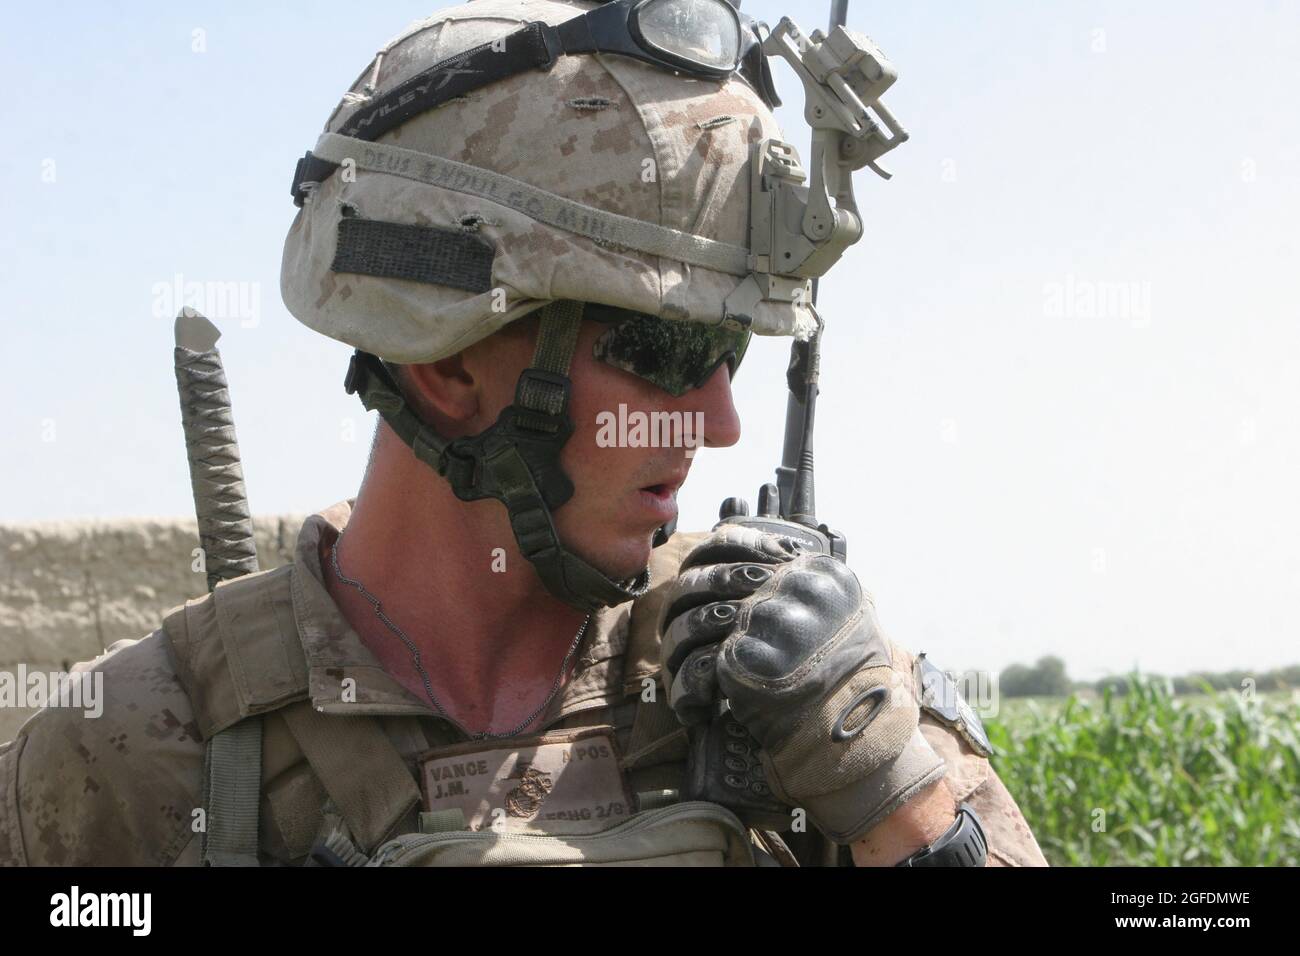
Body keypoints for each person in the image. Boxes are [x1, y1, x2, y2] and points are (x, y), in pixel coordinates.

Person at [0, 0, 1046, 867]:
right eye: (666, 356)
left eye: (731, 352)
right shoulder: (138, 752)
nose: (719, 420)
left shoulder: (796, 683)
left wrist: (893, 802)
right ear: (450, 360)